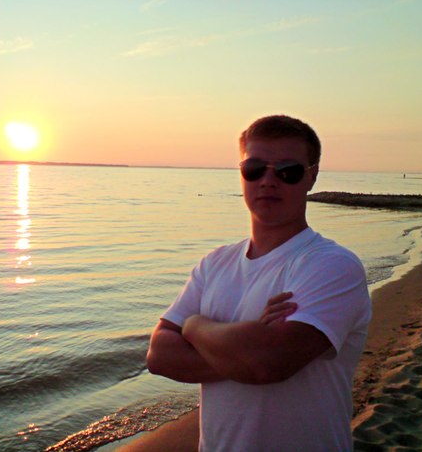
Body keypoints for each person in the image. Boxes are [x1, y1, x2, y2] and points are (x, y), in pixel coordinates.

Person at [146, 115, 372, 451]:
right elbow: (159, 355)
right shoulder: (214, 264)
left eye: (287, 171)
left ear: (311, 177)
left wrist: (194, 327)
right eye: (254, 168)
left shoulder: (332, 265)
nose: (268, 180)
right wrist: (245, 347)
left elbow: (268, 362)